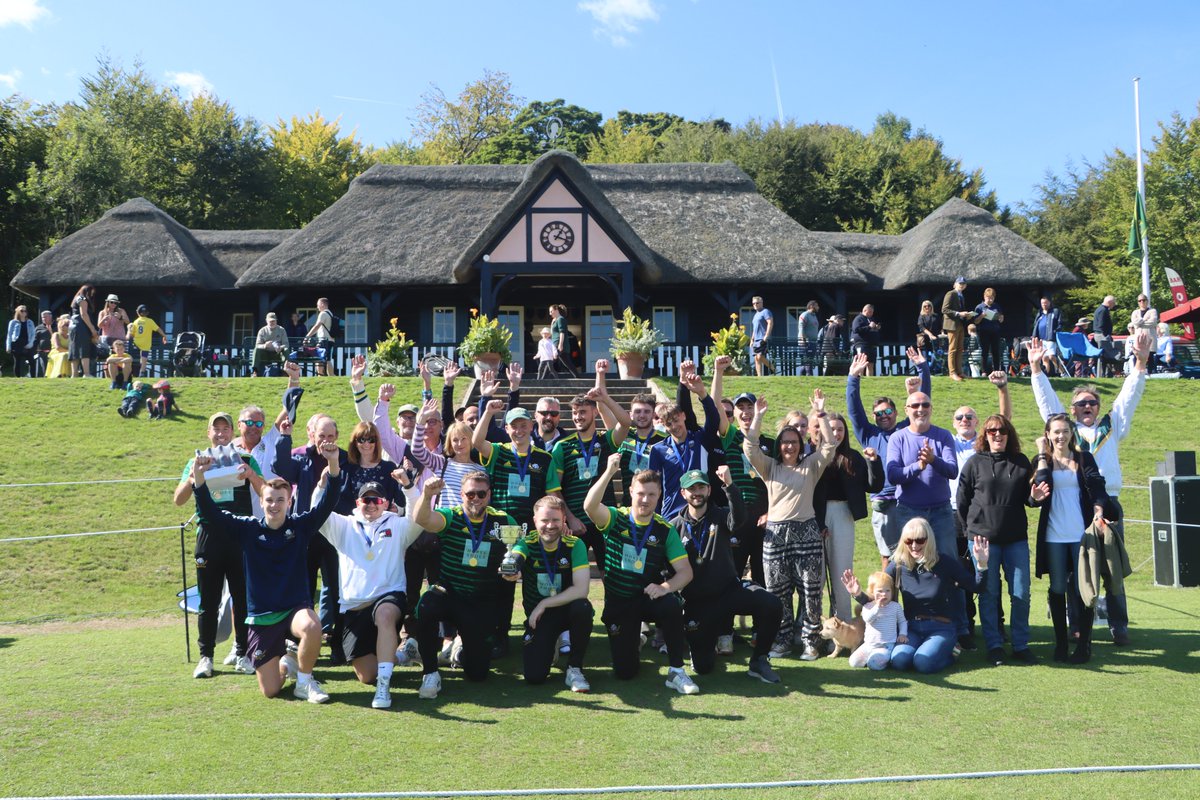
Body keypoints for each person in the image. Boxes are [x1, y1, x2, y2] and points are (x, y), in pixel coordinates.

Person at [188, 436, 343, 702]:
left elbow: (327, 503)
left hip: (295, 609)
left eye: (280, 500)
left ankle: (305, 682)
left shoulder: (300, 526)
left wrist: (333, 463)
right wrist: (199, 478)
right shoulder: (248, 529)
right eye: (269, 500)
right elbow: (211, 514)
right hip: (261, 618)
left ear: (289, 501)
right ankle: (288, 663)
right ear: (261, 502)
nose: (274, 505)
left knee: (312, 625)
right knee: (271, 691)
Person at [1027, 331, 1150, 646]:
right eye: (1080, 403)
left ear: (1098, 407)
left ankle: (1118, 626)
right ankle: (1075, 623)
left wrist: (1140, 362)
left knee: (1112, 569)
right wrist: (1037, 370)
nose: (1087, 407)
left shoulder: (1112, 425)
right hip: (1076, 507)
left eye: (1092, 403)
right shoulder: (1065, 433)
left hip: (1108, 503)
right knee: (1074, 569)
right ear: (1072, 408)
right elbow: (1047, 403)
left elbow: (1129, 396)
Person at [584, 455, 699, 694]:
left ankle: (676, 671)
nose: (645, 500)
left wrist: (665, 587)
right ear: (631, 492)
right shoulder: (615, 518)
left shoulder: (665, 530)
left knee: (671, 604)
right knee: (625, 673)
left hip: (646, 598)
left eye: (652, 494)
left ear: (659, 496)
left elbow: (685, 572)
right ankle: (635, 638)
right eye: (640, 493)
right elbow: (590, 507)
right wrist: (608, 472)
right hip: (619, 602)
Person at [743, 394, 836, 661]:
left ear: (800, 445)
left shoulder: (811, 466)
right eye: (784, 443)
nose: (789, 447)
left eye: (794, 443)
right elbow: (750, 448)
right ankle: (781, 641)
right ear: (779, 445)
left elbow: (829, 446)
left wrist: (821, 413)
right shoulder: (769, 467)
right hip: (776, 536)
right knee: (777, 593)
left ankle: (811, 642)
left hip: (806, 532)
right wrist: (758, 415)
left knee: (811, 592)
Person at [174, 412, 266, 678]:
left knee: (242, 599)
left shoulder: (246, 459)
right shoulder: (195, 460)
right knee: (209, 600)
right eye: (217, 429)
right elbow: (178, 500)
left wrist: (250, 475)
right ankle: (206, 657)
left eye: (226, 428)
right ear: (209, 433)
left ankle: (243, 653)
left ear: (232, 432)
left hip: (239, 535)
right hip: (209, 537)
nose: (222, 433)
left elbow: (264, 492)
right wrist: (194, 477)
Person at [316, 478, 423, 709]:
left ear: (385, 503)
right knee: (366, 675)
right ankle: (402, 656)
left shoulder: (397, 525)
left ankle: (384, 688)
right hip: (354, 607)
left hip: (389, 597)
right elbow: (319, 512)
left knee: (384, 615)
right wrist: (321, 486)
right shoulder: (344, 525)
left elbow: (418, 517)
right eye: (367, 499)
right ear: (358, 501)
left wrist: (409, 488)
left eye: (377, 499)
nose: (371, 504)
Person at [671, 466, 783, 683]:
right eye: (691, 488)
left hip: (728, 591)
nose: (697, 492)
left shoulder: (721, 516)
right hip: (697, 602)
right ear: (683, 493)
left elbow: (739, 517)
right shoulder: (674, 527)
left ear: (709, 490)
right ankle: (704, 643)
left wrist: (730, 486)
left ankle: (759, 660)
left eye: (701, 487)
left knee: (772, 604)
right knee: (703, 668)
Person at [410, 472, 517, 698]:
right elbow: (422, 519)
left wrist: (515, 567)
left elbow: (519, 549)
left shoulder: (504, 521)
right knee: (426, 607)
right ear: (462, 495)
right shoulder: (451, 516)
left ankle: (458, 647)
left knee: (477, 674)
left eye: (481, 493)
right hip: (450, 593)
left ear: (489, 495)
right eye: (470, 494)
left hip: (481, 600)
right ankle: (430, 672)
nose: (475, 498)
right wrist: (427, 493)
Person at [843, 519, 989, 674]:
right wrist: (857, 594)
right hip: (910, 628)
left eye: (920, 540)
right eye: (909, 541)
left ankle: (953, 652)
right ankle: (925, 650)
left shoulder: (944, 562)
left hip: (941, 627)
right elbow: (879, 598)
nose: (914, 546)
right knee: (898, 661)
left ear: (929, 540)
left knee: (922, 662)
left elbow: (977, 587)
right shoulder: (898, 565)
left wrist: (981, 565)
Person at [1030, 414, 1115, 663]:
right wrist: (1043, 455)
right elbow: (1036, 495)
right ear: (1047, 434)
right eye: (1055, 432)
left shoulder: (1083, 458)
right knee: (1057, 587)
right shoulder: (1041, 461)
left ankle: (1084, 645)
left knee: (1083, 589)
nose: (1060, 436)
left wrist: (1099, 508)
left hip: (1080, 534)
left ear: (1071, 433)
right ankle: (1060, 644)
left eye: (1065, 431)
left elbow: (1098, 486)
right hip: (1053, 535)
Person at [473, 402, 555, 657]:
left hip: (533, 532)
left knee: (534, 582)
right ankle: (500, 636)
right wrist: (488, 412)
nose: (519, 430)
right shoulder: (498, 451)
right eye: (514, 426)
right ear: (506, 429)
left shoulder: (544, 458)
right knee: (502, 585)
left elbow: (551, 494)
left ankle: (538, 631)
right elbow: (477, 442)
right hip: (500, 531)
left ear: (532, 426)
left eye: (523, 425)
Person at [885, 389, 966, 643]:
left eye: (925, 404)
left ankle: (961, 627)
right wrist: (918, 467)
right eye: (915, 405)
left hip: (941, 511)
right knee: (906, 568)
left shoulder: (942, 436)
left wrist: (933, 460)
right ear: (907, 410)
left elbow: (952, 471)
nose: (920, 409)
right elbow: (893, 475)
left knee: (950, 567)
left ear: (931, 408)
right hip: (909, 511)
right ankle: (902, 626)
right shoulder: (898, 438)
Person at [956, 414, 1036, 666]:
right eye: (991, 431)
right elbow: (962, 500)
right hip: (982, 540)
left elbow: (1029, 500)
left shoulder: (1021, 462)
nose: (997, 435)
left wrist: (1035, 497)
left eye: (1002, 430)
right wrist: (970, 530)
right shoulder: (974, 462)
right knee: (989, 594)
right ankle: (994, 646)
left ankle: (1021, 645)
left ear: (1009, 434)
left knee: (1021, 592)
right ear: (985, 435)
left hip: (1015, 539)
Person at [274, 414, 350, 663]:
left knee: (337, 588)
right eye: (321, 436)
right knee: (302, 589)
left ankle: (337, 643)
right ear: (313, 436)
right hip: (305, 534)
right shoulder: (303, 458)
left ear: (337, 437)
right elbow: (282, 468)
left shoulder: (346, 459)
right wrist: (285, 438)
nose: (326, 441)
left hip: (335, 533)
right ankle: (300, 643)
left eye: (330, 436)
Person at [846, 348, 931, 567]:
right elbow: (854, 410)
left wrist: (923, 369)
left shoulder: (905, 429)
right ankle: (889, 601)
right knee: (889, 557)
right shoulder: (869, 435)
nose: (884, 417)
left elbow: (922, 405)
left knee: (916, 554)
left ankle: (913, 599)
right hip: (883, 502)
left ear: (896, 412)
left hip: (908, 499)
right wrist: (853, 378)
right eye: (879, 414)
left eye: (887, 412)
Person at [503, 495, 594, 691]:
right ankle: (550, 642)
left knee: (583, 607)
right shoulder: (526, 543)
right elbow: (517, 557)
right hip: (541, 618)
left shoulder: (574, 544)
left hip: (564, 610)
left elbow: (582, 589)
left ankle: (575, 668)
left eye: (555, 520)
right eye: (544, 520)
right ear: (535, 521)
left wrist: (544, 603)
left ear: (564, 520)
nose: (550, 525)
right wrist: (512, 568)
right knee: (534, 676)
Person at [812, 411, 883, 623]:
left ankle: (842, 621)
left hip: (843, 515)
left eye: (840, 429)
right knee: (816, 576)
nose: (836, 433)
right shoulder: (815, 457)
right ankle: (812, 626)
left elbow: (873, 486)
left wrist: (873, 462)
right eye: (831, 429)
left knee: (842, 571)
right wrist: (818, 522)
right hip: (815, 515)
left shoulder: (853, 458)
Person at [546, 389, 630, 567]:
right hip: (576, 523)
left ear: (595, 412)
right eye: (575, 413)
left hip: (604, 519)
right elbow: (554, 490)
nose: (578, 417)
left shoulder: (606, 440)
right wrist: (569, 518)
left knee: (610, 571)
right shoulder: (562, 446)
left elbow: (625, 423)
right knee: (572, 573)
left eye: (582, 411)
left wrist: (605, 398)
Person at [649, 363, 720, 521]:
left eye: (676, 420)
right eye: (668, 424)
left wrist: (702, 393)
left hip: (700, 511)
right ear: (664, 425)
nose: (674, 426)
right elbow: (654, 485)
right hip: (671, 513)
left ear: (684, 416)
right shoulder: (658, 449)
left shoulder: (700, 438)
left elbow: (714, 420)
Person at [845, 572, 907, 670]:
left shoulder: (895, 607)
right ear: (872, 592)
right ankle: (873, 658)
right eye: (880, 591)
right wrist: (877, 607)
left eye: (887, 590)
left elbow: (902, 621)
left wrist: (903, 634)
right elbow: (868, 619)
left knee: (873, 665)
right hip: (868, 645)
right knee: (854, 662)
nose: (884, 594)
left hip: (886, 646)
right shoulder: (868, 606)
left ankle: (884, 660)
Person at [618, 392, 667, 505]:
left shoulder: (665, 440)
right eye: (637, 411)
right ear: (631, 415)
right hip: (628, 505)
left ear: (653, 414)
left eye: (647, 411)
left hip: (656, 506)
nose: (642, 415)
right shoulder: (624, 436)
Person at [941, 276, 975, 381]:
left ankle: (959, 372)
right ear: (955, 284)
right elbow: (944, 309)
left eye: (963, 284)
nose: (962, 285)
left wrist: (966, 315)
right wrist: (959, 313)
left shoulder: (961, 295)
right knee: (953, 349)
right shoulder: (950, 293)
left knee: (960, 349)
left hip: (960, 324)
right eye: (960, 283)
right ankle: (952, 372)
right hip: (952, 324)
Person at [67, 283, 99, 377]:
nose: (92, 295)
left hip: (73, 326)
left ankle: (74, 374)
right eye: (91, 293)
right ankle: (87, 373)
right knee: (84, 349)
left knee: (74, 349)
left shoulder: (76, 299)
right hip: (81, 326)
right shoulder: (83, 299)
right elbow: (84, 314)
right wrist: (92, 329)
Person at [128, 305, 166, 378]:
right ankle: (142, 372)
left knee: (137, 359)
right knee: (144, 358)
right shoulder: (150, 321)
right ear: (147, 313)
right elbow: (158, 329)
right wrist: (164, 335)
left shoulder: (135, 321)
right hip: (145, 343)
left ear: (138, 312)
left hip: (136, 343)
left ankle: (133, 373)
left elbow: (132, 334)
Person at [974, 287, 1005, 375]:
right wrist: (982, 316)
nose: (990, 300)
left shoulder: (996, 306)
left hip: (995, 331)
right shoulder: (979, 307)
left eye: (992, 298)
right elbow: (976, 321)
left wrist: (1001, 318)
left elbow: (1001, 320)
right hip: (984, 331)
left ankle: (996, 370)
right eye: (988, 297)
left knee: (996, 351)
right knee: (985, 351)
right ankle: (984, 371)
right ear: (984, 297)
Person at [304, 297, 336, 376]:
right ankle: (331, 376)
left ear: (322, 304)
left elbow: (317, 326)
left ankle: (320, 376)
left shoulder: (323, 313)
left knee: (319, 358)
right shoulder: (330, 314)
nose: (317, 307)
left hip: (323, 340)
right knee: (328, 359)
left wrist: (307, 336)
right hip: (331, 340)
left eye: (318, 305)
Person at [1031, 297, 1061, 375]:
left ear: (1049, 303)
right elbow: (1035, 325)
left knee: (1051, 356)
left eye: (1045, 302)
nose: (1044, 304)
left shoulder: (1055, 312)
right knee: (1044, 358)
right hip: (1041, 339)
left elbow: (1060, 323)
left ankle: (1063, 372)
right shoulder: (1040, 313)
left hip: (1050, 338)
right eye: (1042, 303)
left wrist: (1055, 331)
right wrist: (1034, 336)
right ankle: (1045, 375)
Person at [253, 312, 289, 376]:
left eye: (273, 321)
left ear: (276, 321)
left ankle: (285, 371)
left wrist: (280, 347)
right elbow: (257, 345)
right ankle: (255, 371)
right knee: (256, 350)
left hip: (277, 353)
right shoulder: (262, 330)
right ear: (266, 321)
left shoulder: (281, 330)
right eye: (270, 321)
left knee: (286, 350)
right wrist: (265, 345)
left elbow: (286, 344)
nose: (272, 323)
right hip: (265, 353)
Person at [849, 305, 881, 375]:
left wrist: (876, 327)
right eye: (870, 312)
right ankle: (860, 380)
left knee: (871, 364)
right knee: (862, 363)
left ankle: (869, 381)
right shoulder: (858, 318)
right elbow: (856, 329)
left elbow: (870, 328)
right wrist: (869, 327)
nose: (871, 314)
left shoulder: (871, 319)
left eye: (872, 312)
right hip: (862, 344)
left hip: (872, 345)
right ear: (865, 310)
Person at [1092, 295, 1118, 377]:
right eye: (1113, 303)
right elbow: (1101, 325)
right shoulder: (1103, 310)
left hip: (1100, 335)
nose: (1114, 305)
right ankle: (1103, 374)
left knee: (1104, 356)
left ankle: (1105, 373)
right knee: (1105, 356)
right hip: (1101, 336)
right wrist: (1106, 336)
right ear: (1109, 302)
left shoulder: (1101, 309)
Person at [6, 306, 35, 377]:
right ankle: (17, 378)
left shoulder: (30, 322)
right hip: (17, 343)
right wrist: (8, 346)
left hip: (27, 342)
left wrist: (31, 343)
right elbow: (9, 335)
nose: (24, 312)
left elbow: (33, 334)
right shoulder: (13, 322)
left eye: (25, 311)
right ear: (18, 312)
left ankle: (33, 378)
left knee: (32, 361)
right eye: (22, 311)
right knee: (17, 362)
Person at [549, 304, 576, 377]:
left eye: (551, 311)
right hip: (555, 344)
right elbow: (552, 334)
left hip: (559, 344)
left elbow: (562, 332)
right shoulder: (555, 320)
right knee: (568, 364)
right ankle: (578, 377)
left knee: (549, 361)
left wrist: (560, 345)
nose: (550, 313)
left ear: (556, 310)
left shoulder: (560, 319)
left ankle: (540, 380)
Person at [750, 296, 773, 377]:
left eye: (757, 303)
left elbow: (770, 323)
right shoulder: (755, 315)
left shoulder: (766, 311)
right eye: (753, 303)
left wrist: (766, 337)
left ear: (761, 303)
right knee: (756, 358)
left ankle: (773, 368)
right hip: (756, 339)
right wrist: (752, 339)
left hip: (762, 338)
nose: (755, 304)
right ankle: (759, 377)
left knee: (760, 357)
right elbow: (754, 328)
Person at [797, 300, 821, 375]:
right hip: (806, 342)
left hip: (813, 342)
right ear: (811, 306)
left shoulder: (814, 316)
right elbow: (801, 327)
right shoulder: (805, 315)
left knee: (808, 361)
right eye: (816, 306)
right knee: (808, 360)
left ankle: (801, 377)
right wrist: (803, 340)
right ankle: (809, 375)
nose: (818, 307)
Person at [33, 310, 53, 377]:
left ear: (50, 317)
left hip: (54, 351)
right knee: (45, 367)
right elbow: (35, 340)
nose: (43, 319)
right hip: (42, 352)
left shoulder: (56, 326)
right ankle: (46, 379)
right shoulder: (39, 328)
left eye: (45, 317)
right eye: (42, 317)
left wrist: (51, 331)